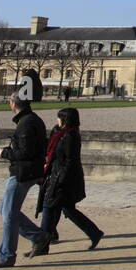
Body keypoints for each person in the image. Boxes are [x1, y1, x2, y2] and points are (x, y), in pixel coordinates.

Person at [0, 89, 50, 269]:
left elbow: (25, 152)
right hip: (30, 171)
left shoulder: (26, 123)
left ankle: (6, 255)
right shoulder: (32, 119)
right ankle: (38, 236)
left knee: (8, 214)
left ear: (13, 104)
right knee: (6, 210)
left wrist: (5, 152)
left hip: (23, 173)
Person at [26, 108, 103, 256]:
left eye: (59, 118)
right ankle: (93, 232)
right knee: (66, 209)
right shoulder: (61, 134)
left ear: (65, 119)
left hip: (62, 179)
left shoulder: (70, 136)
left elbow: (70, 161)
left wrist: (60, 179)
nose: (57, 120)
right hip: (59, 176)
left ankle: (42, 244)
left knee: (49, 207)